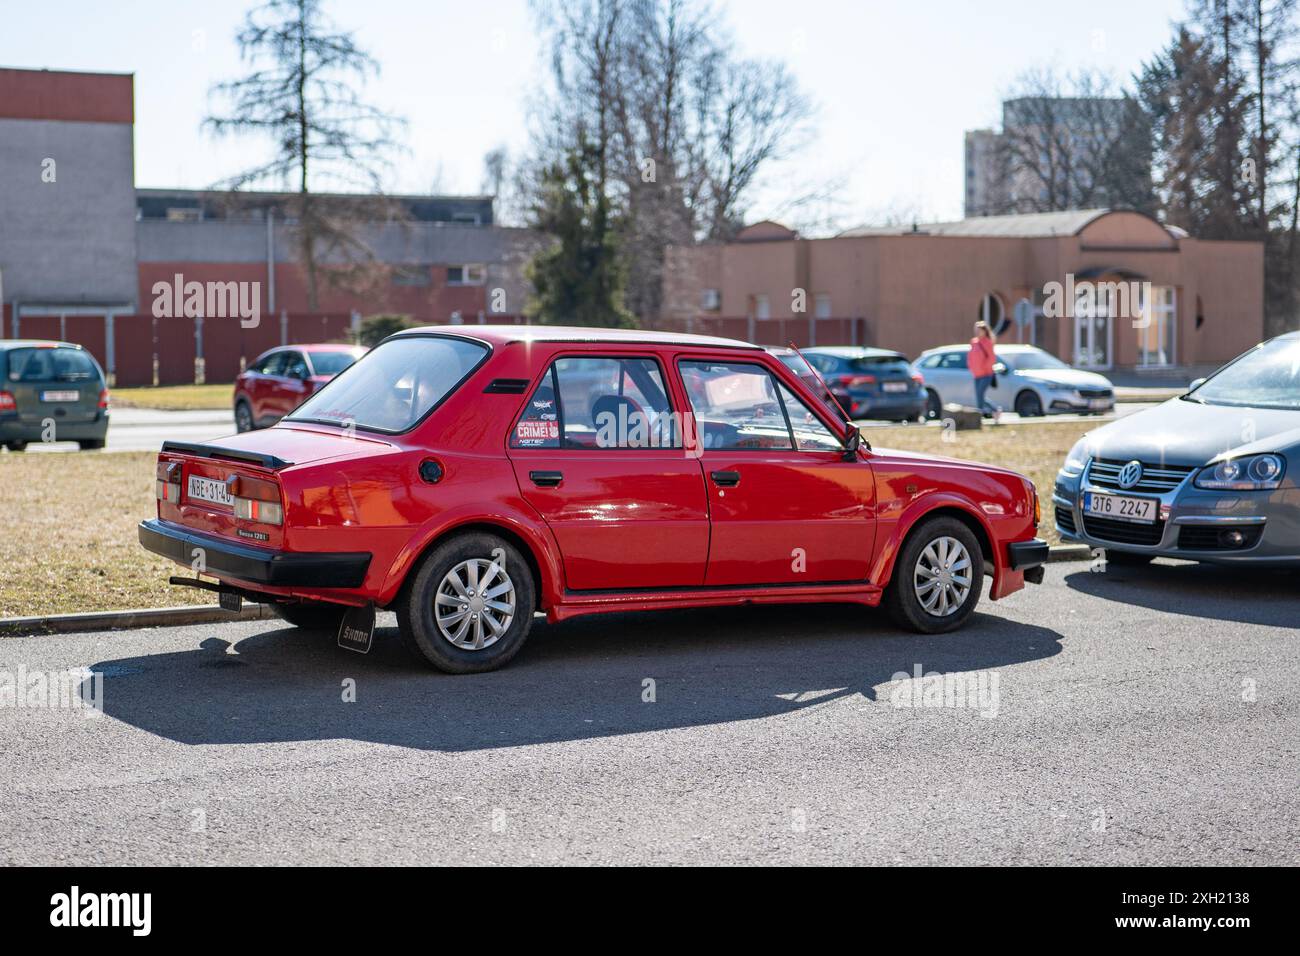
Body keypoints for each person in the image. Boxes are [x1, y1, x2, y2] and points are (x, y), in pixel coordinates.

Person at [967, 321, 1001, 421]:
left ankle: (980, 417)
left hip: (986, 374)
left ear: (984, 331)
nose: (977, 332)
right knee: (979, 396)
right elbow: (970, 357)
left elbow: (991, 359)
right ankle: (994, 410)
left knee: (980, 395)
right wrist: (972, 367)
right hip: (976, 374)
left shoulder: (987, 343)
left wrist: (984, 368)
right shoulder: (973, 342)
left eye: (979, 330)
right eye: (976, 330)